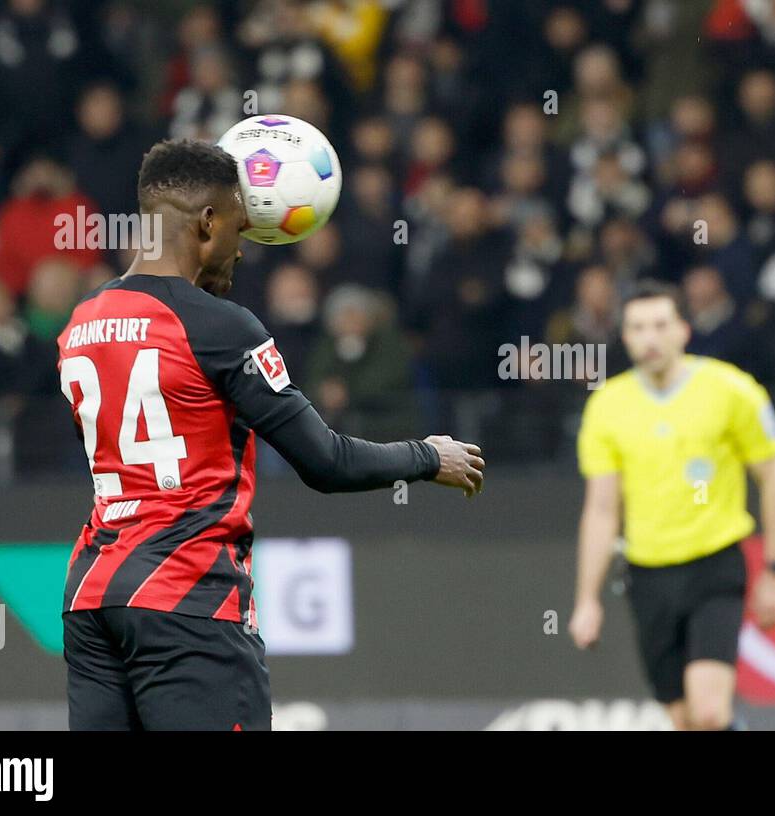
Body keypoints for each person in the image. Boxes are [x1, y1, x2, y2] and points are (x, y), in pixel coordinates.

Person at [56, 139, 485, 731]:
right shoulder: (220, 327)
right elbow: (325, 460)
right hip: (187, 592)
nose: (243, 250)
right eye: (240, 228)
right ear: (208, 223)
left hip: (91, 595)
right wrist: (424, 456)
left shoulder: (80, 325)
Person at [569, 280, 775, 731]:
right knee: (685, 719)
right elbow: (601, 510)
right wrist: (587, 600)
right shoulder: (607, 407)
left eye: (659, 325)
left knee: (709, 711)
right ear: (625, 336)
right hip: (647, 575)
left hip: (714, 565)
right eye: (637, 327)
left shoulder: (732, 390)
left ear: (683, 331)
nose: (649, 338)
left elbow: (774, 478)